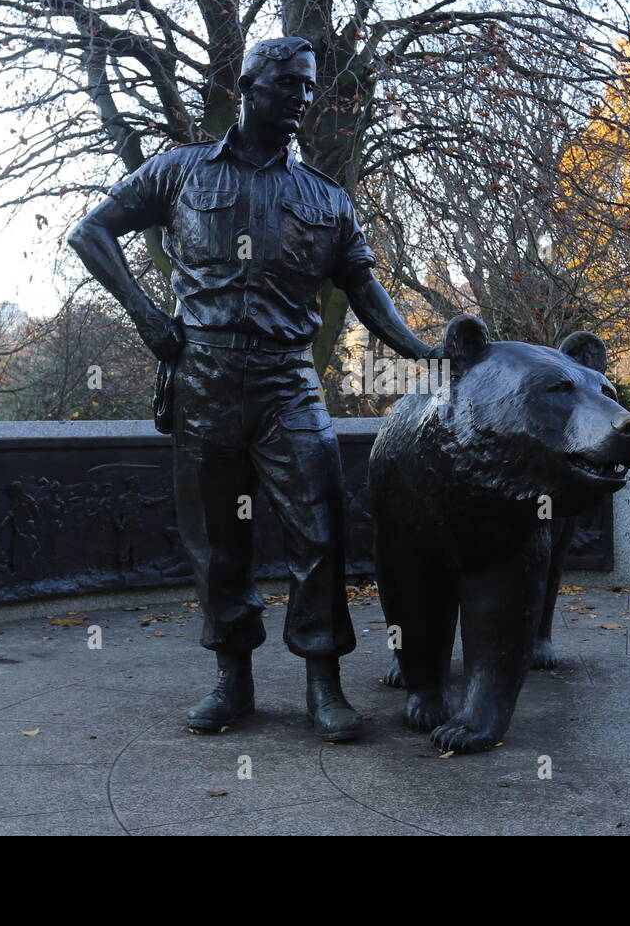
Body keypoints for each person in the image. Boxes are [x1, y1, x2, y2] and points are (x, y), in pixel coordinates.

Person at [69, 37, 436, 742]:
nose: (301, 96)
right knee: (215, 541)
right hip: (202, 376)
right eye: (289, 83)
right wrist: (150, 321)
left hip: (287, 379)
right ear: (249, 85)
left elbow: (364, 288)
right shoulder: (179, 173)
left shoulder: (325, 199)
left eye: (308, 86)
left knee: (319, 531)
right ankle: (230, 681)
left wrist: (424, 352)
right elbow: (92, 233)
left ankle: (322, 684)